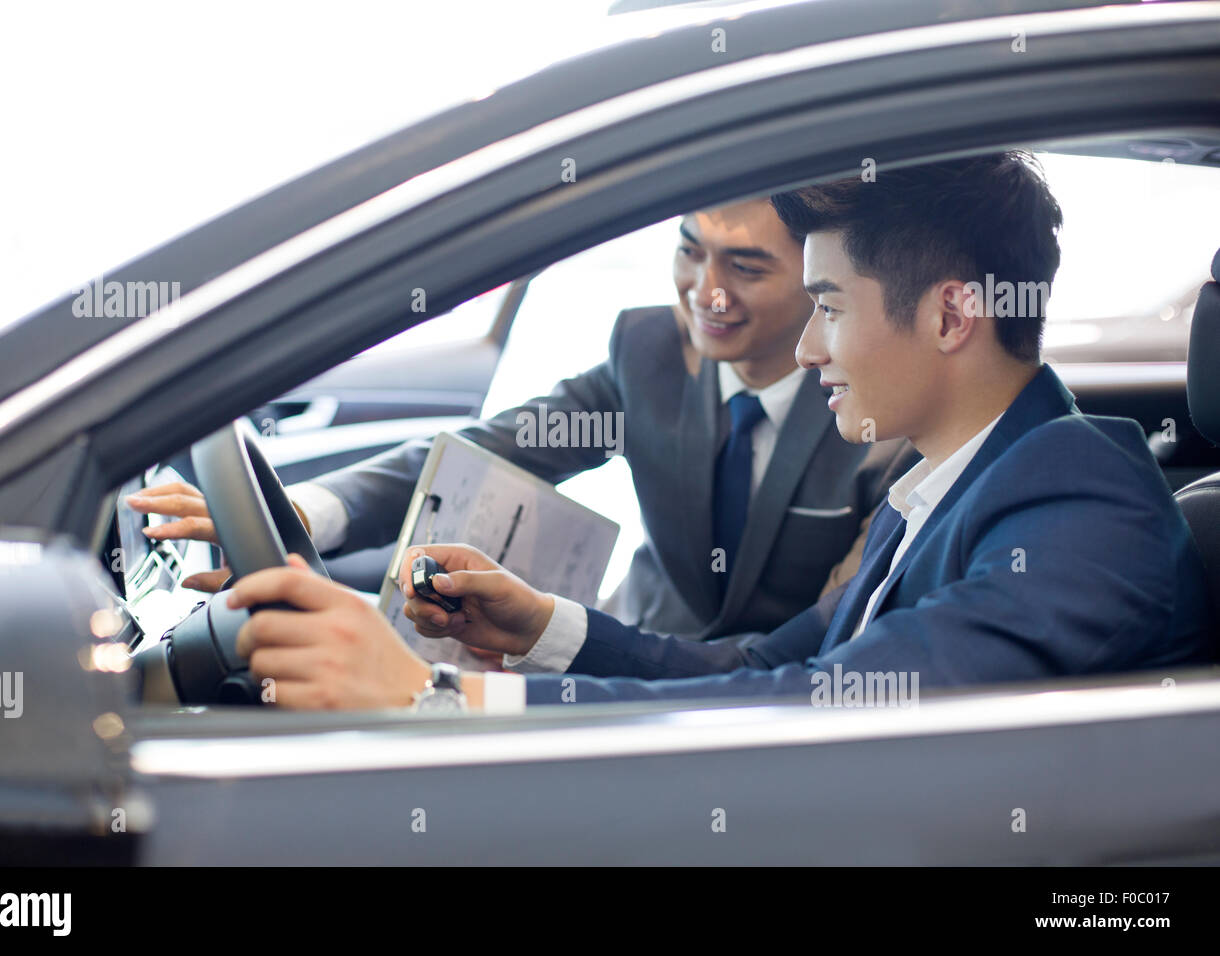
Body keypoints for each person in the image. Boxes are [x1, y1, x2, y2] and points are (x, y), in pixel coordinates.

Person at [219, 150, 1213, 712]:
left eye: (828, 305)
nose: (811, 349)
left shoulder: (1077, 503)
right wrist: (543, 628)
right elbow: (760, 667)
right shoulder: (960, 481)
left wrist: (437, 698)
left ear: (952, 315)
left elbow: (822, 709)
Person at [129, 198, 913, 643]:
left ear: (817, 280)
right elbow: (492, 448)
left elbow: (822, 641)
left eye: (745, 267)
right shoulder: (649, 354)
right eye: (689, 253)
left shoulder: (881, 416)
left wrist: (559, 638)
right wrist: (302, 511)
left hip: (743, 701)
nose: (704, 292)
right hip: (625, 639)